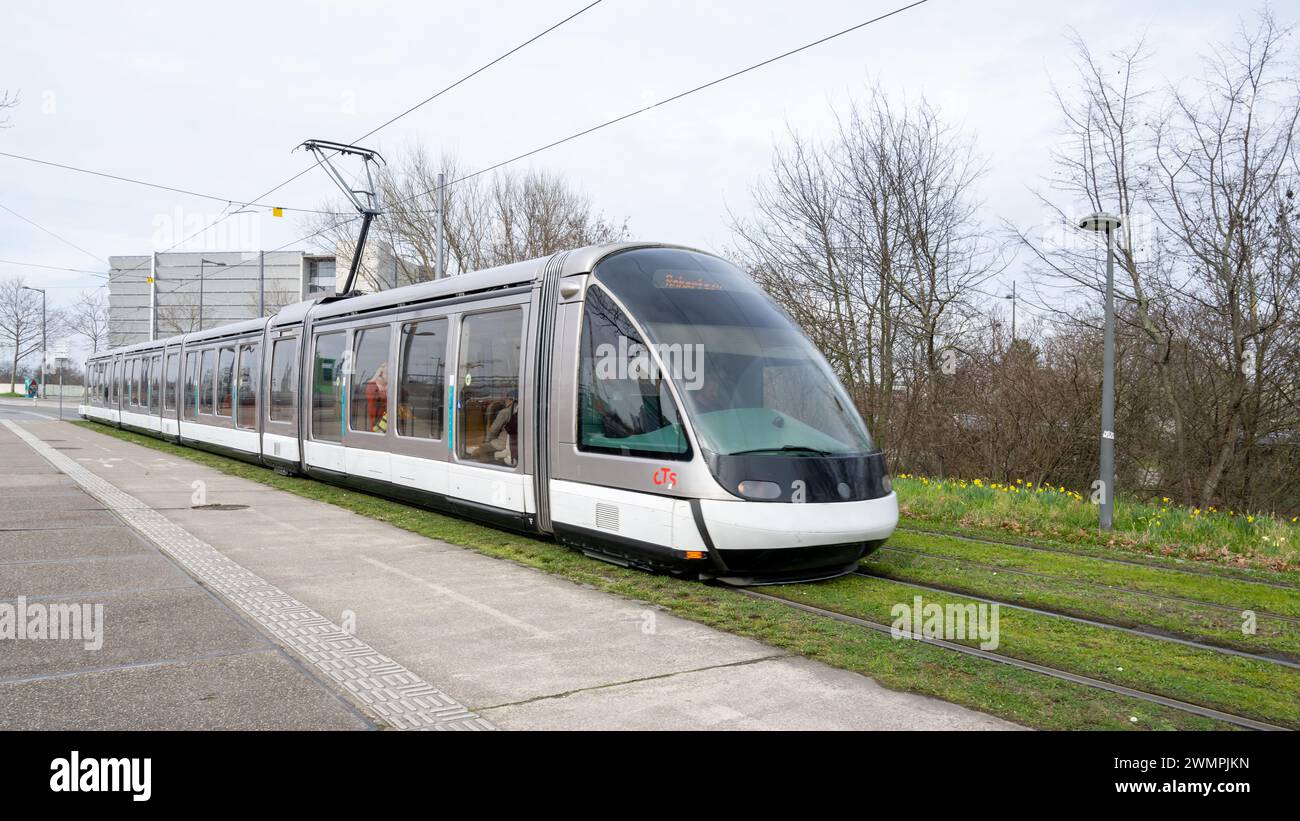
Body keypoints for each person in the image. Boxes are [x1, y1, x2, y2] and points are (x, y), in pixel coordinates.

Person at [366, 363, 389, 433]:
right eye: (388, 374)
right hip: (377, 423)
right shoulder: (372, 386)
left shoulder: (387, 386)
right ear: (381, 374)